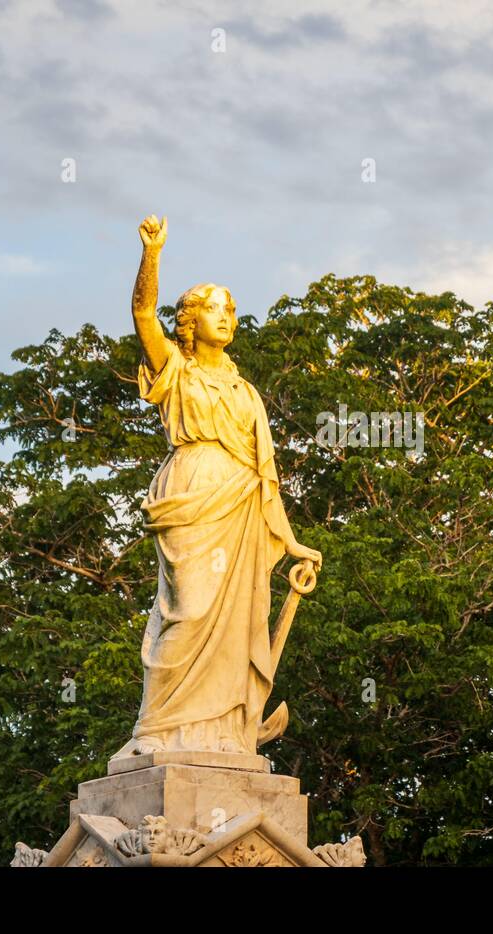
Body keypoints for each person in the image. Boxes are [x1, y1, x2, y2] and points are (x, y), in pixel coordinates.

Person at [123, 214, 321, 756]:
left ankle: (223, 732)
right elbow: (142, 312)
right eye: (214, 307)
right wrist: (153, 254)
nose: (226, 316)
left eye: (231, 308)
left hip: (241, 506)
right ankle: (156, 731)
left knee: (237, 620)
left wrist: (293, 541)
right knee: (189, 610)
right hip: (192, 492)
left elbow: (266, 479)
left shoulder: (245, 391)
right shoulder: (177, 370)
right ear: (190, 320)